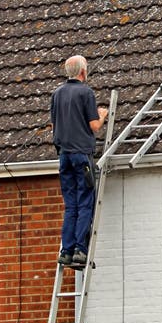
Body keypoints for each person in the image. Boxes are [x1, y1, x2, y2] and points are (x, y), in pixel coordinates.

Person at [50, 55, 108, 267]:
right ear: (83, 72)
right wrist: (102, 115)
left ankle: (66, 250)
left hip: (63, 155)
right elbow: (94, 126)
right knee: (85, 202)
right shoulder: (86, 92)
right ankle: (80, 251)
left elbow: (54, 126)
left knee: (71, 205)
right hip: (81, 155)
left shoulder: (56, 94)